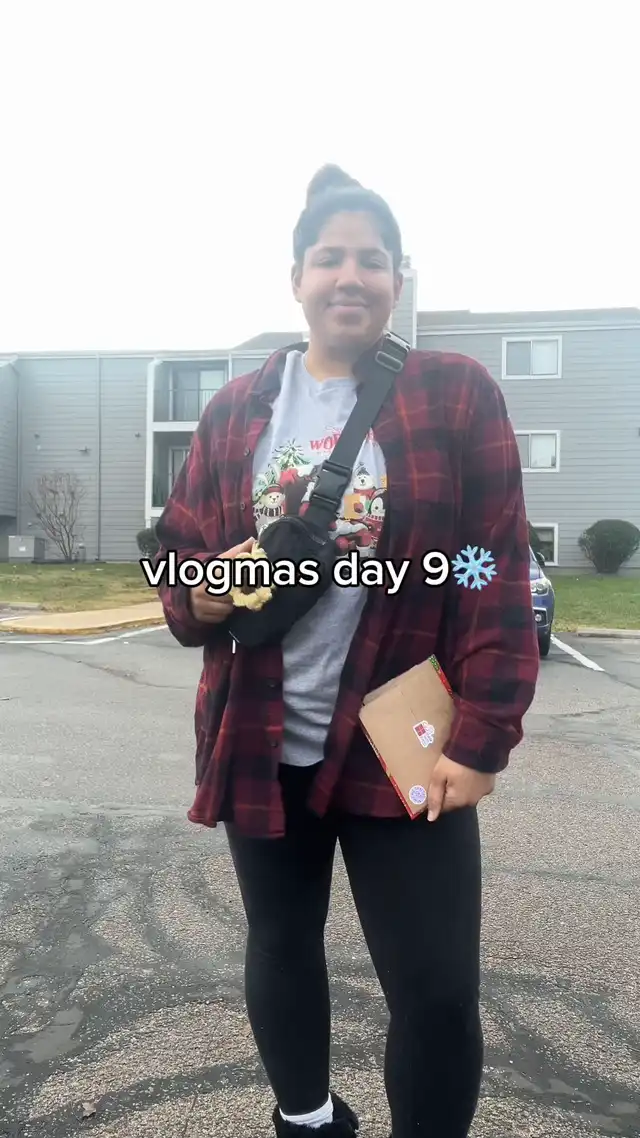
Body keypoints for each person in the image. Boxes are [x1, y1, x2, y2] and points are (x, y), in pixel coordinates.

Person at [154, 165, 539, 1138]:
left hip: (402, 733)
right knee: (281, 942)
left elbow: (490, 568)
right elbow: (183, 559)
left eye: (372, 259)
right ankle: (310, 1120)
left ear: (397, 279)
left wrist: (483, 736)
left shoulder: (454, 394)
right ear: (297, 278)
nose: (350, 276)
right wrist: (199, 593)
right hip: (260, 726)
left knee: (437, 987)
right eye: (329, 257)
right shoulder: (237, 407)